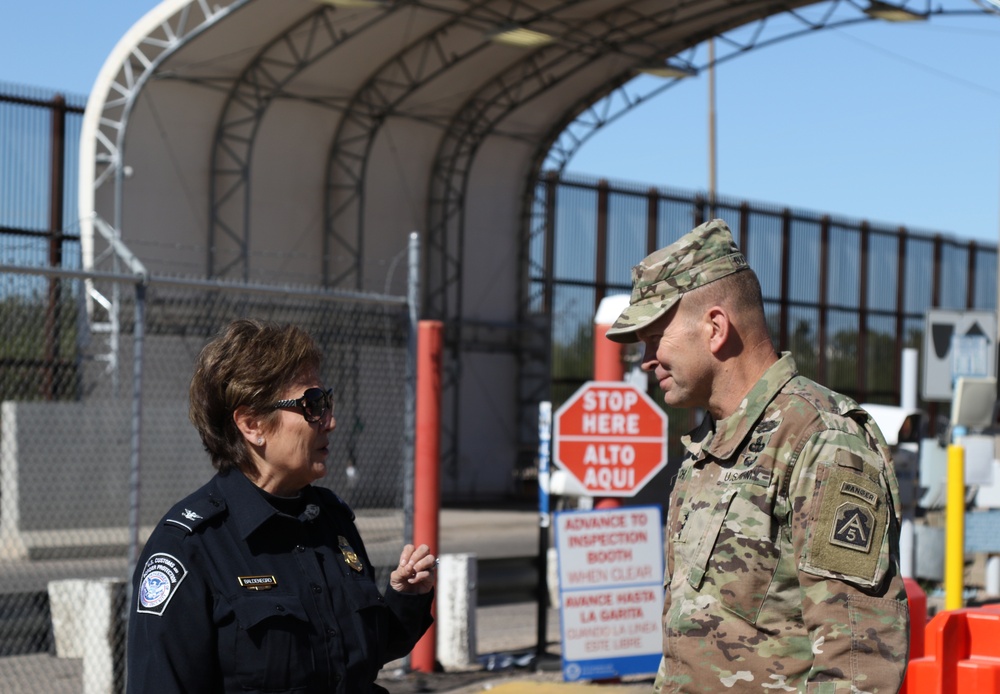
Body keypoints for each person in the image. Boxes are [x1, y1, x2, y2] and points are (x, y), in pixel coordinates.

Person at [605, 219, 909, 693]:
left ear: (715, 327)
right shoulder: (709, 447)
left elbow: (858, 658)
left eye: (656, 336)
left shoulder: (822, 440)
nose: (646, 359)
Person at [127, 319, 435, 693]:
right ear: (252, 425)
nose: (331, 421)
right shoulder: (190, 547)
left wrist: (406, 600)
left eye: (327, 402)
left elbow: (350, 658)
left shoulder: (331, 521)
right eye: (312, 405)